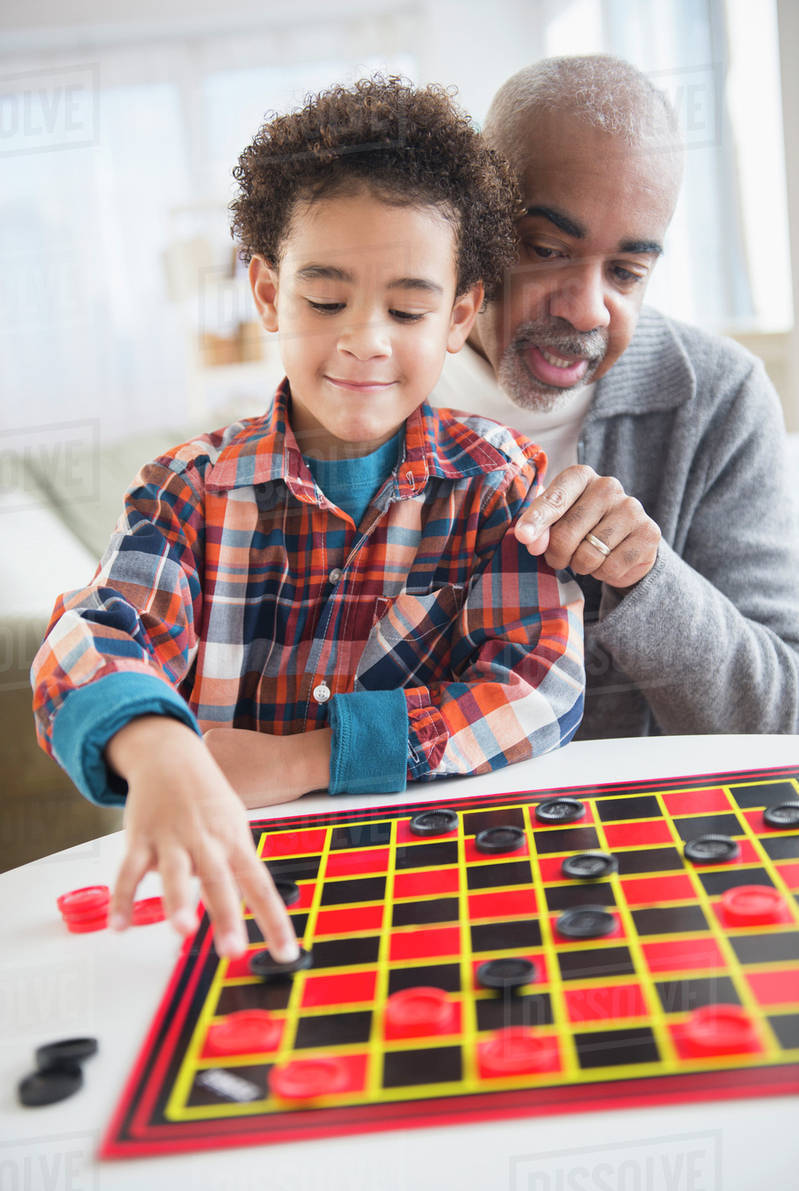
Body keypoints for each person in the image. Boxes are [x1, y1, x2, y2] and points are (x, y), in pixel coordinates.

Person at [31, 77, 584, 962]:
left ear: (459, 315)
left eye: (407, 309)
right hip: (232, 888)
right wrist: (155, 743)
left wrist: (304, 759)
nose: (364, 339)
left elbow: (537, 688)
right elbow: (91, 637)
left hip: (436, 883)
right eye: (325, 300)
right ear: (266, 292)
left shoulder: (496, 483)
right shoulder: (187, 489)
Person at [431, 54, 799, 738]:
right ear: (471, 220)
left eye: (626, 272)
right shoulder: (370, 387)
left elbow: (780, 715)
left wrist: (648, 577)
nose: (587, 310)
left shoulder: (719, 400)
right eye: (546, 250)